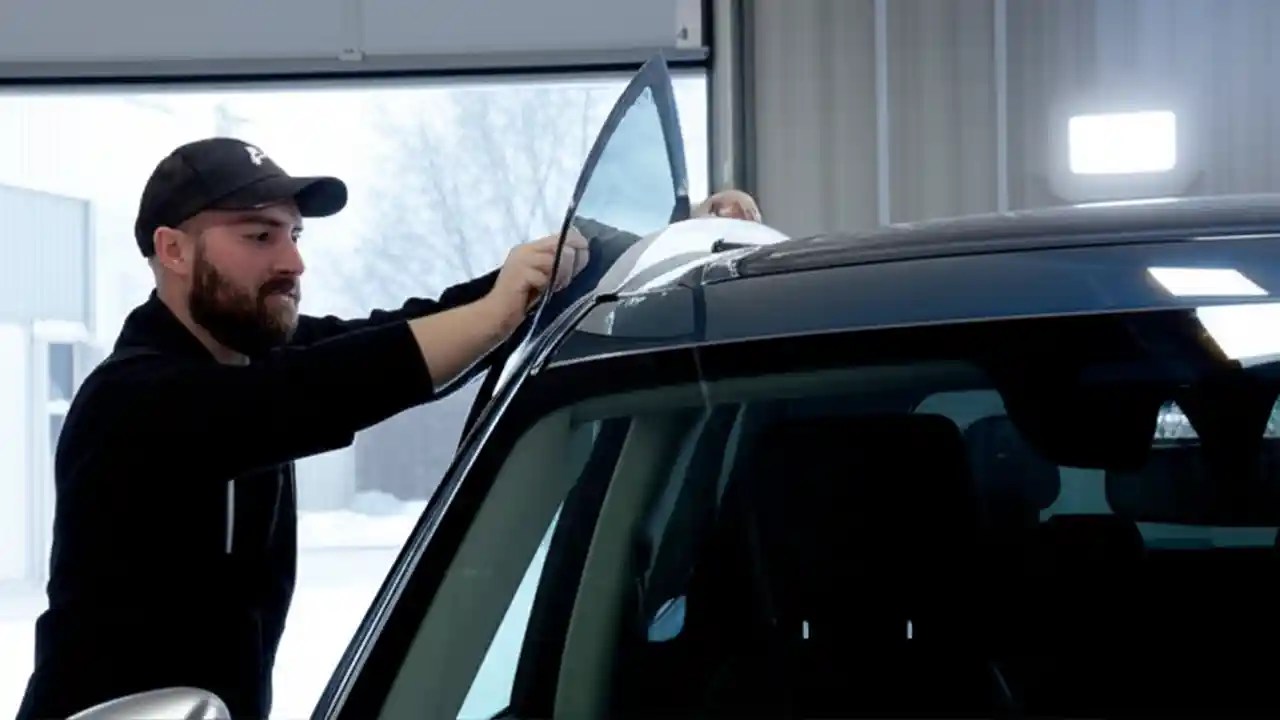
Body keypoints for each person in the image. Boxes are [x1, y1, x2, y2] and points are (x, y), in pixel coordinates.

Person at [14, 136, 760, 720]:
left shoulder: (252, 361)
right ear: (173, 250)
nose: (293, 260)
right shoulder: (134, 400)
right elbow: (326, 388)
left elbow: (400, 333)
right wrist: (494, 312)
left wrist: (636, 247)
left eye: (294, 234)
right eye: (259, 236)